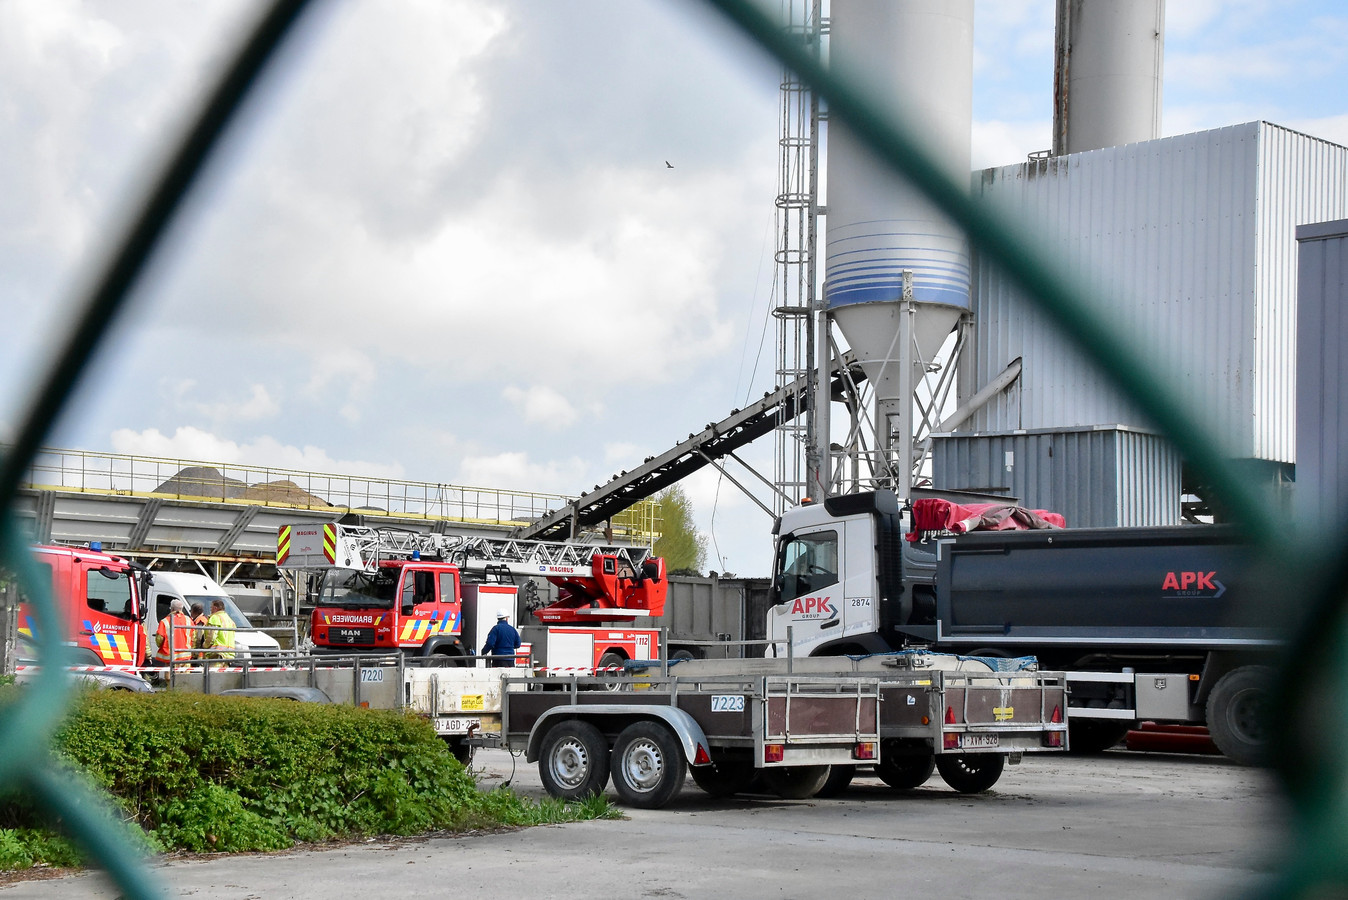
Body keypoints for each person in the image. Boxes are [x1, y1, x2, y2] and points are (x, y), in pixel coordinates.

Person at [154, 598, 193, 666]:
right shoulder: (188, 620)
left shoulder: (165, 621)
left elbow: (159, 639)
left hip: (171, 656)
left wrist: (161, 646)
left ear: (171, 609)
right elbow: (194, 636)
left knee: (170, 676)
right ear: (182, 609)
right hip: (185, 656)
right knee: (185, 676)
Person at [205, 598, 236, 664]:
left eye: (211, 607)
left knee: (213, 674)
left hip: (217, 654)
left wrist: (205, 645)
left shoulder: (215, 617)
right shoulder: (229, 619)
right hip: (229, 655)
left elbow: (211, 636)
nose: (210, 610)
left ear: (215, 608)